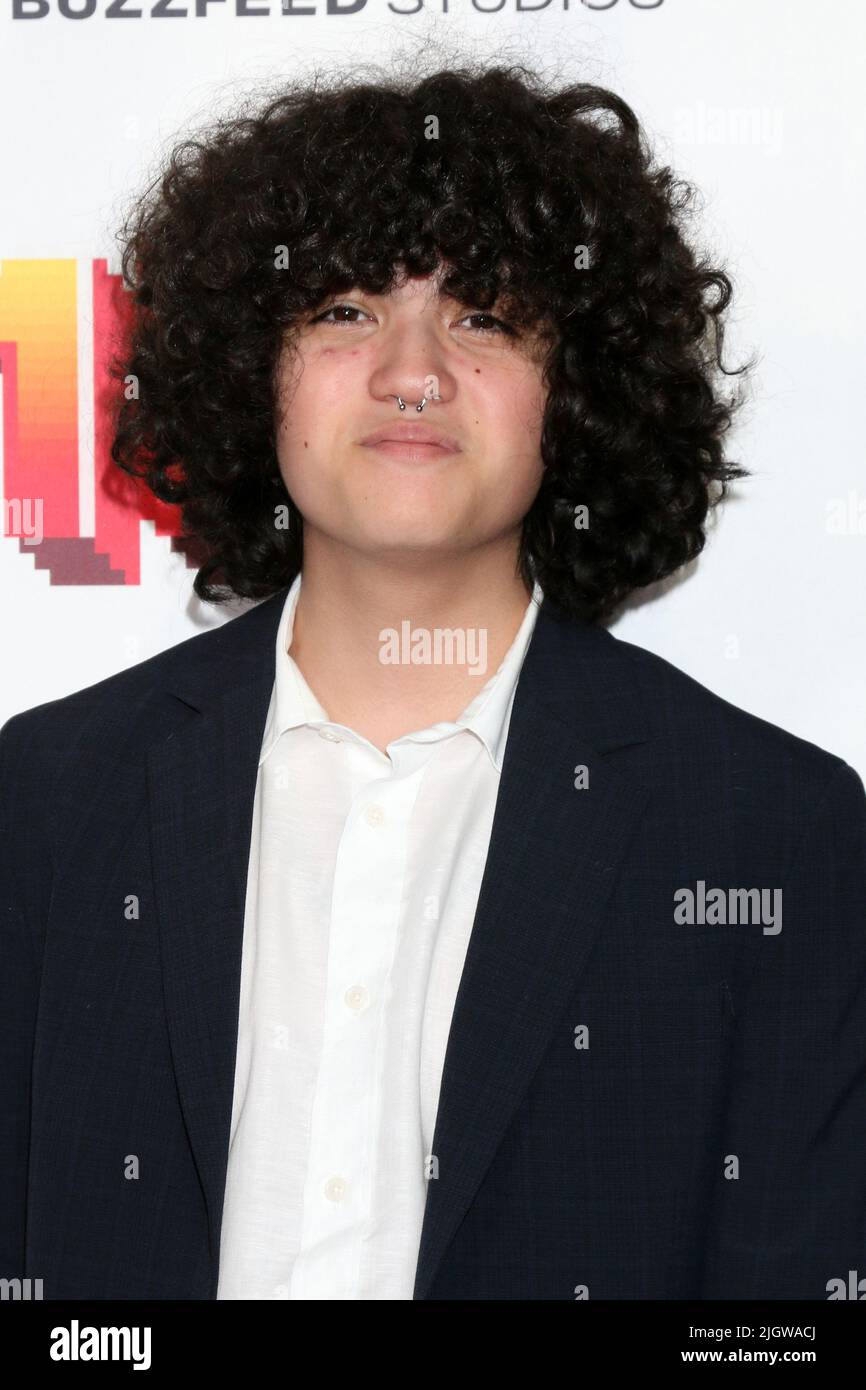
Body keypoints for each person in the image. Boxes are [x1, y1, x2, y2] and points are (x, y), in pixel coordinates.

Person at [2, 61, 864, 1301]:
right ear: (256, 369)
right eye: (345, 311)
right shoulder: (50, 795)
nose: (414, 372)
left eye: (486, 316)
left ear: (574, 393)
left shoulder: (763, 827)